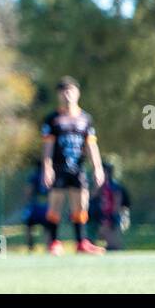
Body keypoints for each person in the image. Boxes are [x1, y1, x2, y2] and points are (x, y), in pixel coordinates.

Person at [41, 77, 105, 255]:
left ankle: (81, 243)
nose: (67, 94)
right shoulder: (52, 119)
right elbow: (48, 146)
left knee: (81, 205)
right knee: (55, 204)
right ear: (59, 95)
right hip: (59, 167)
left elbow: (91, 145)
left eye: (71, 90)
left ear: (78, 93)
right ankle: (53, 242)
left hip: (78, 167)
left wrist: (98, 167)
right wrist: (47, 167)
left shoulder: (85, 119)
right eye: (64, 91)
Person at [94, 162, 131, 251]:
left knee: (114, 239)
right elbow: (95, 196)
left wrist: (114, 215)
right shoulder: (103, 186)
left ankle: (115, 248)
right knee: (105, 235)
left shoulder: (114, 186)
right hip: (105, 214)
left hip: (114, 214)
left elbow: (117, 202)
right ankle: (110, 247)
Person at [23, 158, 50, 252]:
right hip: (45, 207)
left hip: (35, 207)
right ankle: (48, 247)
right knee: (47, 228)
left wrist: (27, 202)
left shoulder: (34, 176)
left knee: (29, 226)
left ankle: (30, 247)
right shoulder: (50, 175)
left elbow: (28, 191)